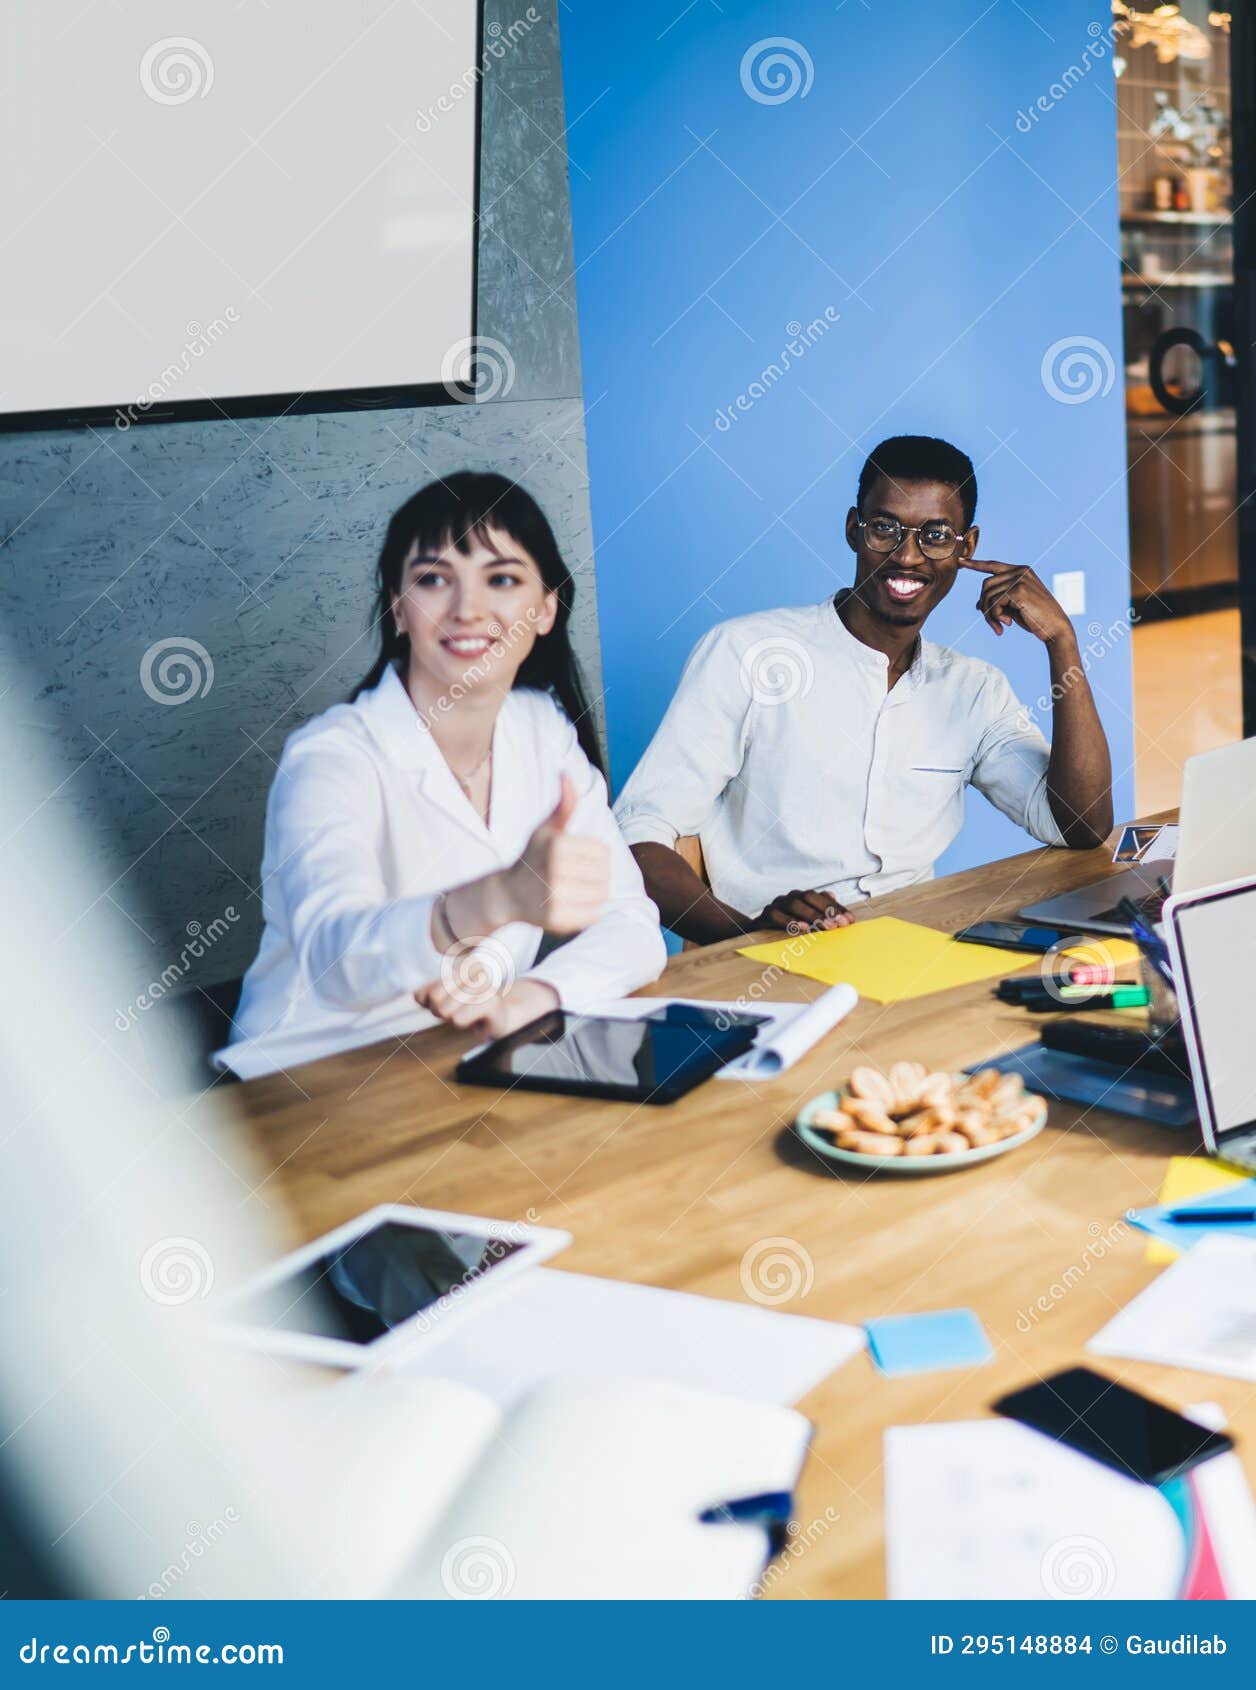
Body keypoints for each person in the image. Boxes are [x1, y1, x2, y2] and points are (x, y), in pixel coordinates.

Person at [223, 472, 665, 1078]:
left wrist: (530, 999)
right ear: (398, 608)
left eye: (502, 579)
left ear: (544, 609)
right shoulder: (330, 758)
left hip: (466, 1058)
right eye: (433, 579)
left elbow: (633, 924)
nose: (468, 609)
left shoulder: (542, 728)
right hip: (309, 1079)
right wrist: (495, 899)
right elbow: (334, 960)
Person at [615, 435, 1113, 945]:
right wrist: (748, 935)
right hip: (776, 969)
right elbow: (638, 835)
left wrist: (1061, 640)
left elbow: (1079, 826)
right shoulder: (745, 653)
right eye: (885, 529)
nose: (908, 556)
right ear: (854, 530)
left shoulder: (973, 689)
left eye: (936, 535)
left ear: (968, 548)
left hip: (919, 952)